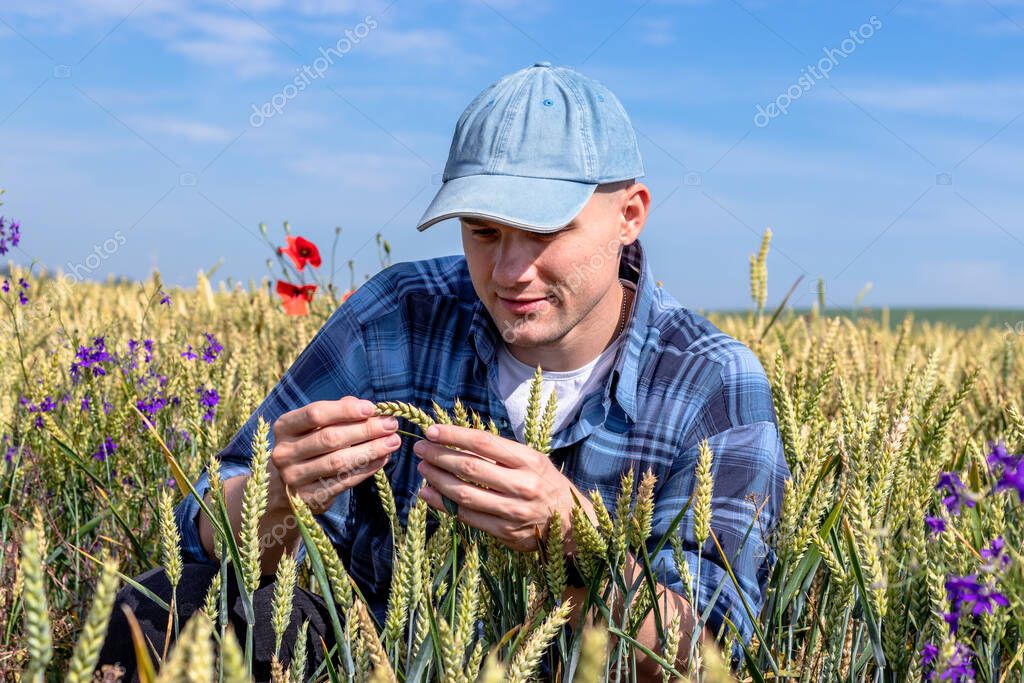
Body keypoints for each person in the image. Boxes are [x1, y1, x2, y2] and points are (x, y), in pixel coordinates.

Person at [100, 62, 789, 681]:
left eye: (545, 232)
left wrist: (576, 540)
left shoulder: (714, 384)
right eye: (484, 232)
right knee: (163, 605)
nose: (511, 271)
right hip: (371, 664)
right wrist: (275, 495)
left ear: (629, 215)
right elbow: (199, 525)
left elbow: (706, 658)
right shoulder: (396, 318)